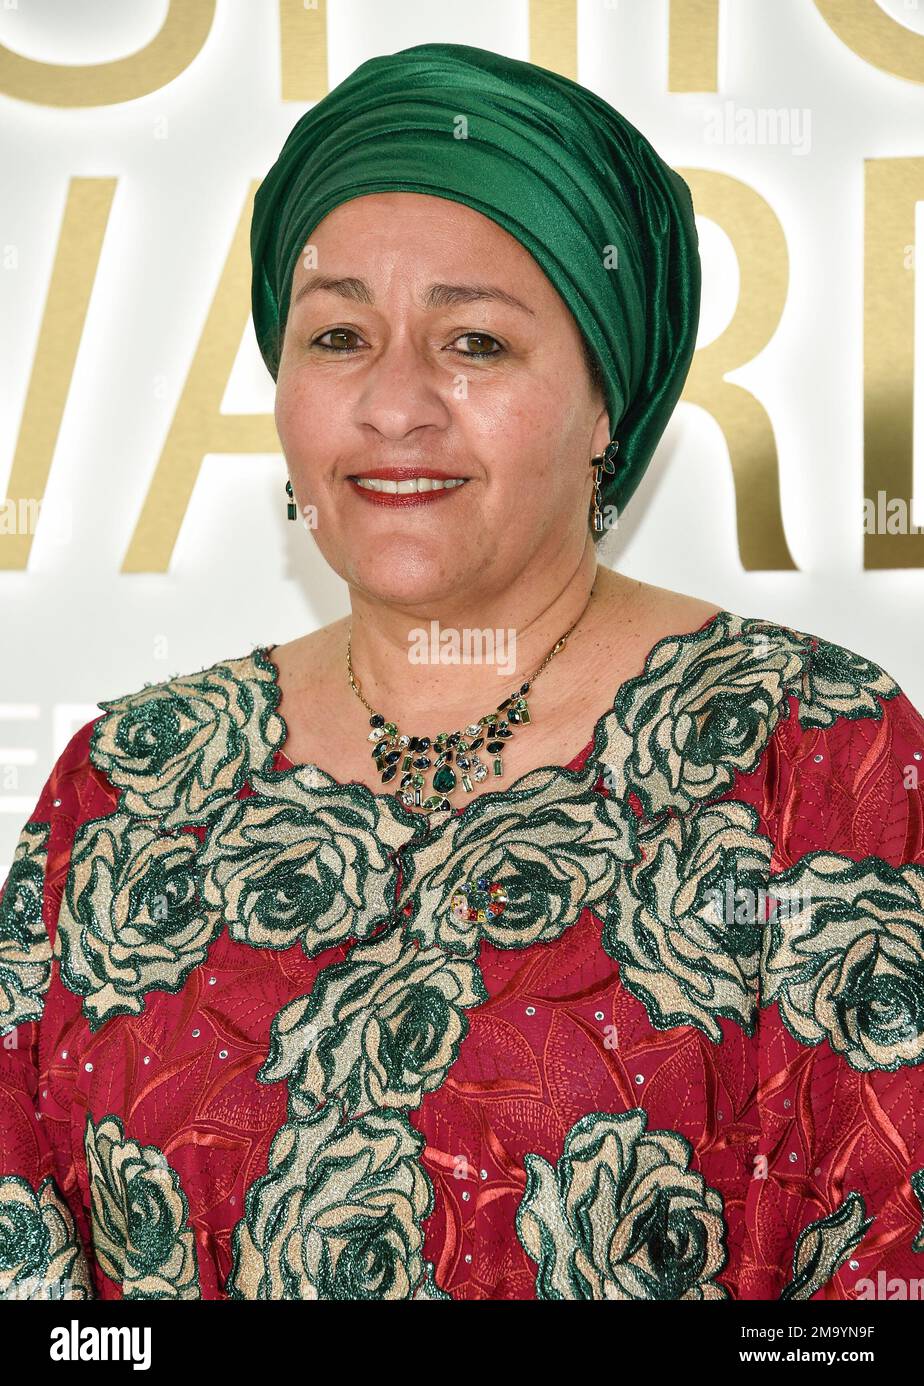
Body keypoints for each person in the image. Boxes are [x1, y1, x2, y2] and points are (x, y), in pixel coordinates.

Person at [2, 41, 924, 1304]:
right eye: (337, 334)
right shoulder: (124, 783)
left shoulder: (815, 753)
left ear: (611, 401)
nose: (394, 405)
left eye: (475, 343)